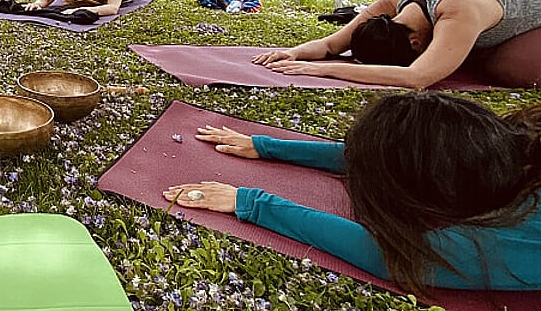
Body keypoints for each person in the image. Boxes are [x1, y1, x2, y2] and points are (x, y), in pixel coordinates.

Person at [163, 92, 541, 291]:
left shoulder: (527, 235)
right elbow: (414, 154)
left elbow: (401, 256)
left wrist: (251, 203)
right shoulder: (511, 142)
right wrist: (266, 146)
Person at [253, 0, 541, 88]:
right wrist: (293, 53)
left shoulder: (459, 11)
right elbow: (331, 44)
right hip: (506, 3)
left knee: (505, 70)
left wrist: (324, 69)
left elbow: (416, 77)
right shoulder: (395, 4)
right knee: (466, 58)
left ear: (416, 44)